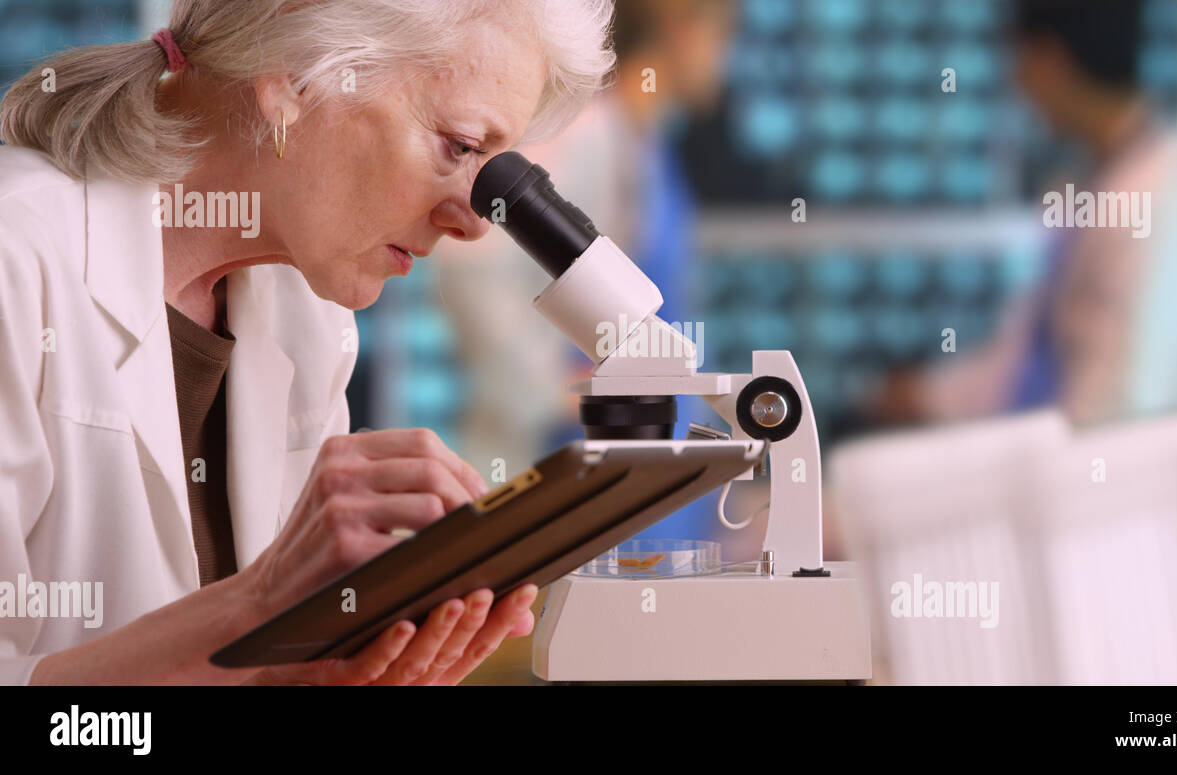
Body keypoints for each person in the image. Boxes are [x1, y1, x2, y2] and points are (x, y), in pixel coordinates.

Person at [0, 0, 615, 685]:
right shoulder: (16, 260)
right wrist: (253, 607)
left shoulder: (305, 321)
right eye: (462, 146)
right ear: (292, 77)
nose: (475, 222)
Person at [872, 0, 1177, 429]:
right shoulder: (1090, 182)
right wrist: (927, 397)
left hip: (1139, 478)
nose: (1017, 83)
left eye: (1020, 61)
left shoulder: (1168, 196)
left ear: (1050, 61)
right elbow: (1026, 364)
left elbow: (1123, 406)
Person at [433, 0, 736, 541]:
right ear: (681, 27)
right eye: (723, 36)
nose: (726, 59)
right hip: (574, 461)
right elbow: (474, 268)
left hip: (651, 468)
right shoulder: (588, 134)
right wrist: (549, 394)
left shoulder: (647, 142)